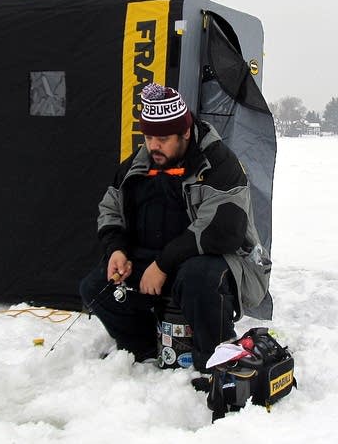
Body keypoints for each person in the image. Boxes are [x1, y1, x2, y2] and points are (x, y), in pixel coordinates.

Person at [79, 83, 271, 372]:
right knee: (95, 286)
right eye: (148, 137)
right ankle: (145, 349)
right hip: (160, 260)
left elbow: (224, 230)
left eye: (163, 138)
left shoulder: (219, 162)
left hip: (225, 262)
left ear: (184, 132)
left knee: (198, 275)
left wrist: (163, 263)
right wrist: (116, 249)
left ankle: (213, 360)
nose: (153, 146)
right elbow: (110, 209)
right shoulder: (138, 164)